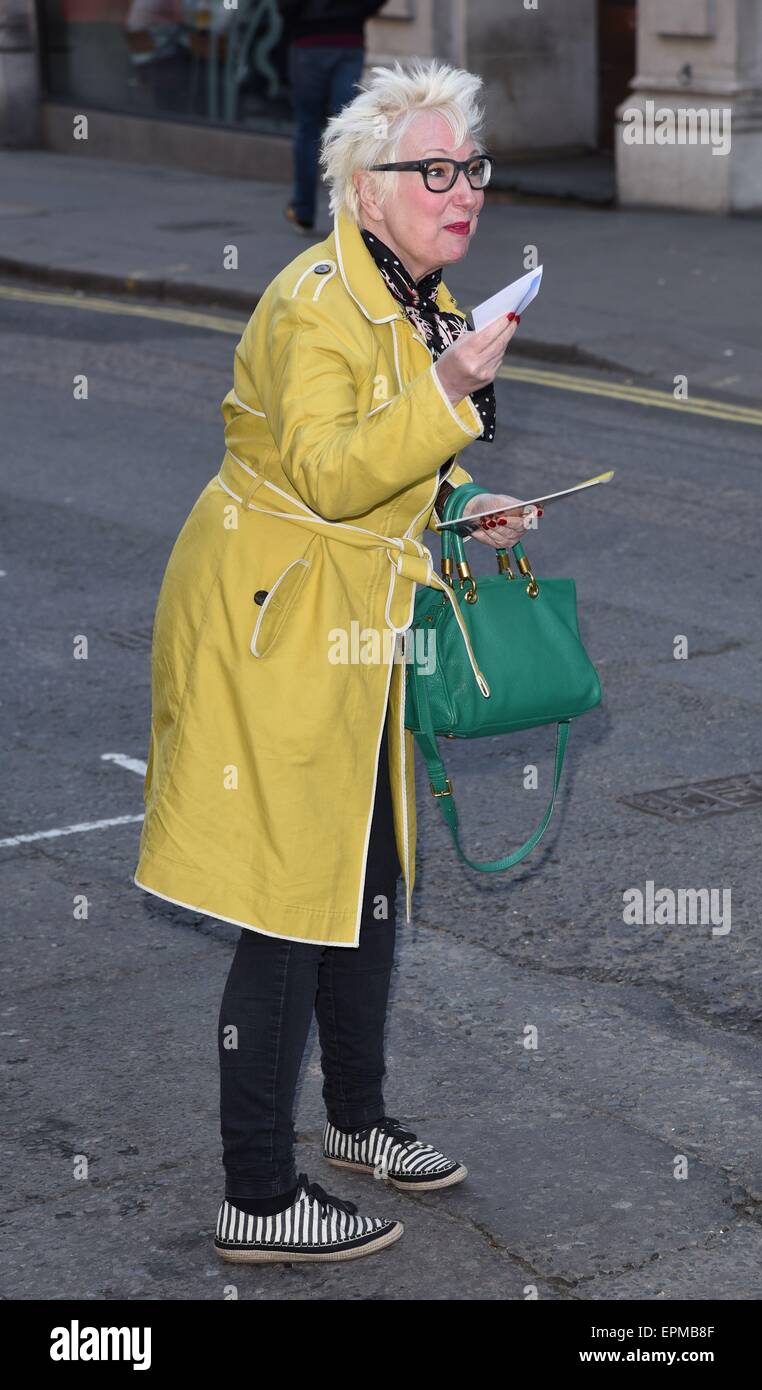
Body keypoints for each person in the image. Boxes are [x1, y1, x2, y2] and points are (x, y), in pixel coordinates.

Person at [133, 57, 541, 1265]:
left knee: (364, 887)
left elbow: (396, 452)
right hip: (277, 626)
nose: (459, 189)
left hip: (353, 627)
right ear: (365, 192)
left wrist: (466, 498)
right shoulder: (317, 301)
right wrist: (455, 393)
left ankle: (357, 1125)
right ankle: (257, 1196)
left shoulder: (418, 296)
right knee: (287, 912)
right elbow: (322, 466)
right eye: (432, 170)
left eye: (469, 167)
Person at [278, 0, 388, 233]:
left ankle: (303, 210)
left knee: (307, 127)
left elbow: (286, 6)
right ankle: (351, 214)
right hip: (348, 40)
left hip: (308, 42)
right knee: (347, 129)